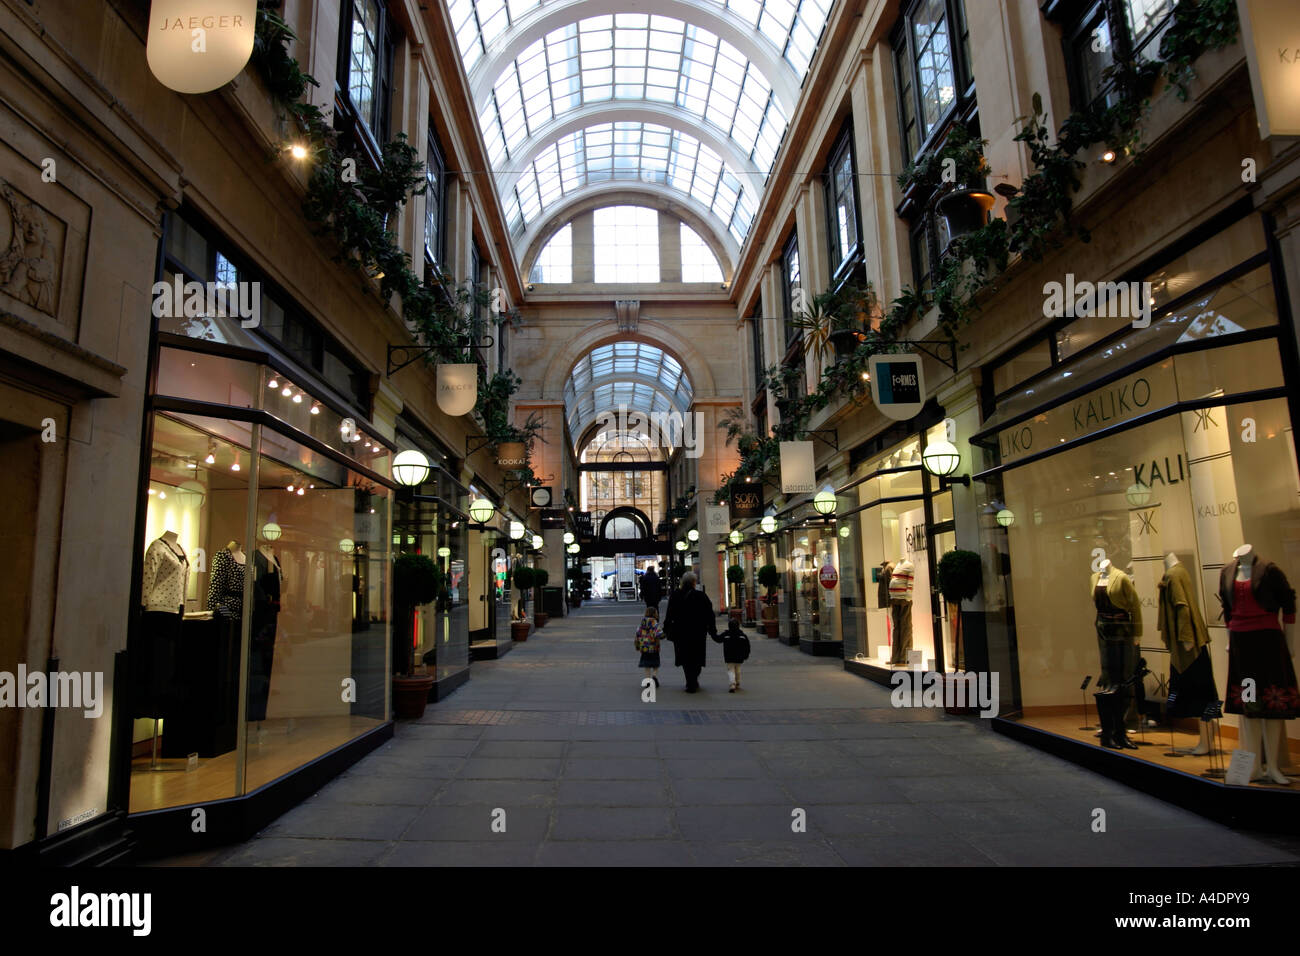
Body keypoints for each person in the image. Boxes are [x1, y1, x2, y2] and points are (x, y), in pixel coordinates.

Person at [663, 572, 717, 692]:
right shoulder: (701, 596)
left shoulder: (676, 595)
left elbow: (669, 614)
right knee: (697, 657)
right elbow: (710, 614)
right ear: (694, 582)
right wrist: (712, 630)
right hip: (698, 632)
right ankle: (693, 679)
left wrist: (666, 629)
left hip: (680, 632)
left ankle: (690, 680)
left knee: (685, 657)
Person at [718, 618, 751, 692]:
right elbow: (747, 646)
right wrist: (746, 655)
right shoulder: (742, 636)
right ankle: (738, 683)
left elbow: (718, 639)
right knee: (738, 670)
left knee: (731, 670)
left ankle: (732, 684)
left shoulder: (726, 634)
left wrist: (712, 633)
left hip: (729, 656)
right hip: (739, 657)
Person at [635, 606, 662, 688]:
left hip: (644, 648)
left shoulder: (642, 623)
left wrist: (638, 645)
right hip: (654, 647)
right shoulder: (654, 623)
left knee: (646, 665)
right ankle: (654, 677)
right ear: (654, 614)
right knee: (655, 664)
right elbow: (659, 633)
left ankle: (647, 680)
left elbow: (638, 634)